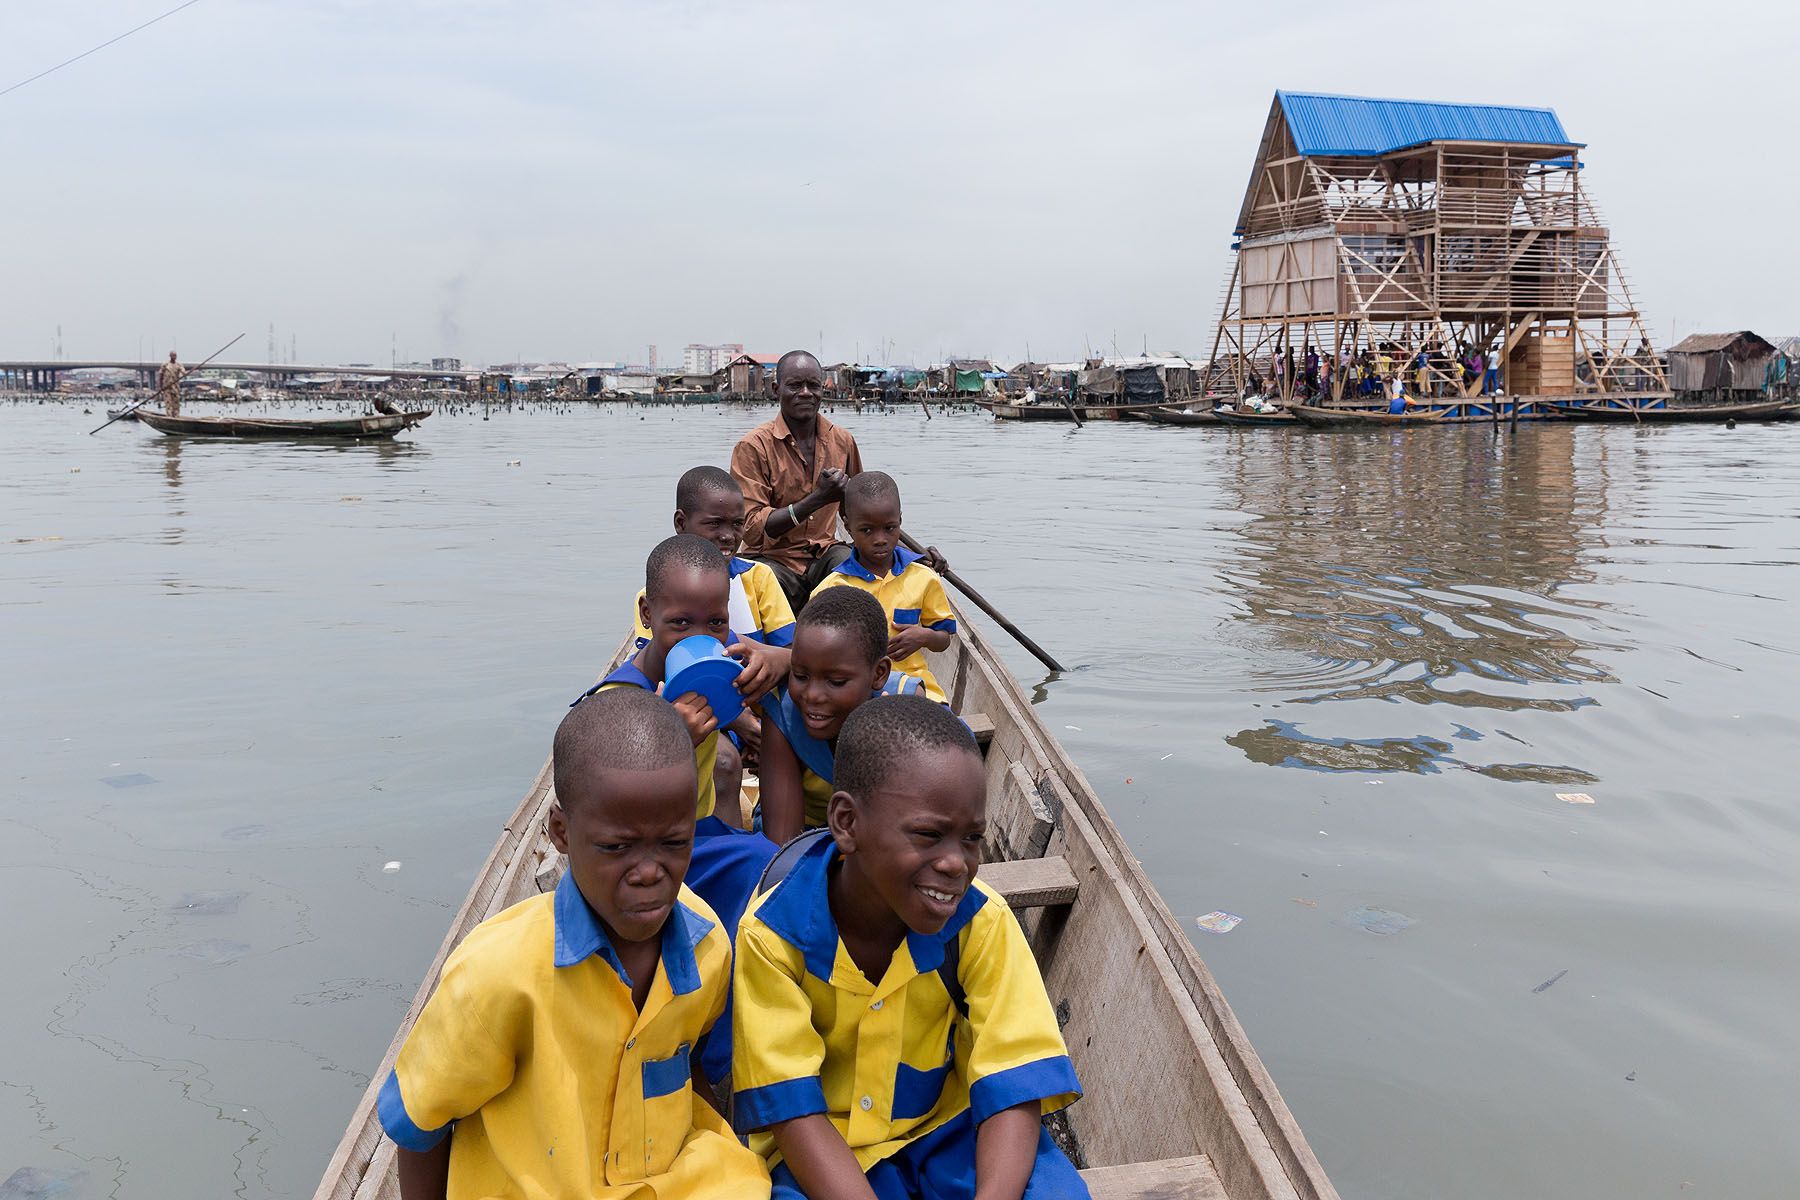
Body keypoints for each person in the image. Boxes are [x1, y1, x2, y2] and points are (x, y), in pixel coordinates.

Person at [379, 687, 769, 1200]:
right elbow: (420, 1125)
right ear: (561, 832)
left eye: (675, 843)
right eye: (616, 847)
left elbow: (687, 1058)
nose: (650, 872)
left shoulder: (708, 944)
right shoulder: (498, 974)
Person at [732, 695, 1088, 1200]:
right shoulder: (771, 938)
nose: (955, 864)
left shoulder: (980, 924)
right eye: (928, 834)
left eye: (971, 838)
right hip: (824, 1151)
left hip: (946, 1131)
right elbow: (792, 1114)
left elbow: (1014, 1080)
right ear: (847, 823)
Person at [588, 534, 783, 1090]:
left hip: (696, 841)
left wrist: (776, 658)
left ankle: (746, 1036)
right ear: (647, 614)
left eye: (715, 623)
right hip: (641, 852)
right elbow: (604, 801)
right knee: (751, 869)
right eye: (679, 625)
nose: (700, 638)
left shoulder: (722, 654)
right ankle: (719, 1062)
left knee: (774, 870)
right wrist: (667, 733)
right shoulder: (621, 698)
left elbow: (785, 659)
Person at [631, 466, 797, 768]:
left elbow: (791, 654)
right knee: (724, 762)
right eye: (715, 524)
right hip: (698, 713)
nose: (728, 536)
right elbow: (662, 672)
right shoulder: (659, 595)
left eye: (737, 524)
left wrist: (775, 665)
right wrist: (738, 722)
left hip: (754, 709)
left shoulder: (757, 576)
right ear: (681, 523)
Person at [756, 586, 924, 847]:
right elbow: (783, 842)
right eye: (800, 676)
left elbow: (904, 824)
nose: (812, 695)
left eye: (836, 681)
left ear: (879, 674)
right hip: (805, 837)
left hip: (875, 837)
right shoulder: (783, 710)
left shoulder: (904, 705)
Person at [732, 350, 865, 612]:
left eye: (813, 385)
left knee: (854, 567)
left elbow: (863, 512)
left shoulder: (843, 441)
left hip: (825, 553)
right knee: (763, 582)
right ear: (775, 390)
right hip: (771, 558)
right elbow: (751, 528)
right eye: (795, 385)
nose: (805, 393)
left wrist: (911, 558)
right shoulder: (753, 447)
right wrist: (818, 499)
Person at [811, 472, 954, 704]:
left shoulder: (923, 578)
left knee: (960, 735)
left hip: (918, 685)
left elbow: (944, 639)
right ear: (847, 526)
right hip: (857, 692)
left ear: (900, 521)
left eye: (889, 528)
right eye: (867, 530)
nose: (880, 539)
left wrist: (924, 636)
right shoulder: (833, 588)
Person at [156, 351, 186, 416]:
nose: (174, 357)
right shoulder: (165, 365)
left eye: (175, 355)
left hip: (175, 387)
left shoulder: (179, 365)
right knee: (168, 403)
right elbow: (160, 376)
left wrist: (183, 374)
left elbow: (183, 372)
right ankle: (169, 416)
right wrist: (160, 387)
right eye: (173, 355)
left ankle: (176, 416)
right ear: (170, 356)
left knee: (176, 403)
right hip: (167, 387)